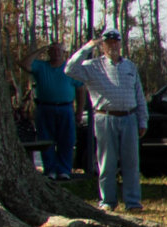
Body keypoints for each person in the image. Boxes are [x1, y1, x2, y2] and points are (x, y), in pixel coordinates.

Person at [65, 28, 145, 211]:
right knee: (107, 163)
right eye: (108, 42)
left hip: (129, 117)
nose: (113, 46)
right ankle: (107, 201)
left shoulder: (130, 66)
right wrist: (88, 46)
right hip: (105, 118)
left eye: (115, 41)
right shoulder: (92, 66)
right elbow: (69, 69)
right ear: (103, 46)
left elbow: (139, 95)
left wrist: (143, 120)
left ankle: (133, 202)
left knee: (131, 163)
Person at [27, 40, 77, 180]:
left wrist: (79, 111)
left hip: (65, 107)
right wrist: (40, 49)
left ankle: (64, 170)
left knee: (66, 141)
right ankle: (50, 170)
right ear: (48, 53)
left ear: (63, 53)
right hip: (45, 107)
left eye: (58, 50)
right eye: (52, 50)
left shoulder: (70, 68)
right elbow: (24, 64)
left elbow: (80, 88)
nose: (55, 53)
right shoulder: (40, 66)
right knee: (46, 140)